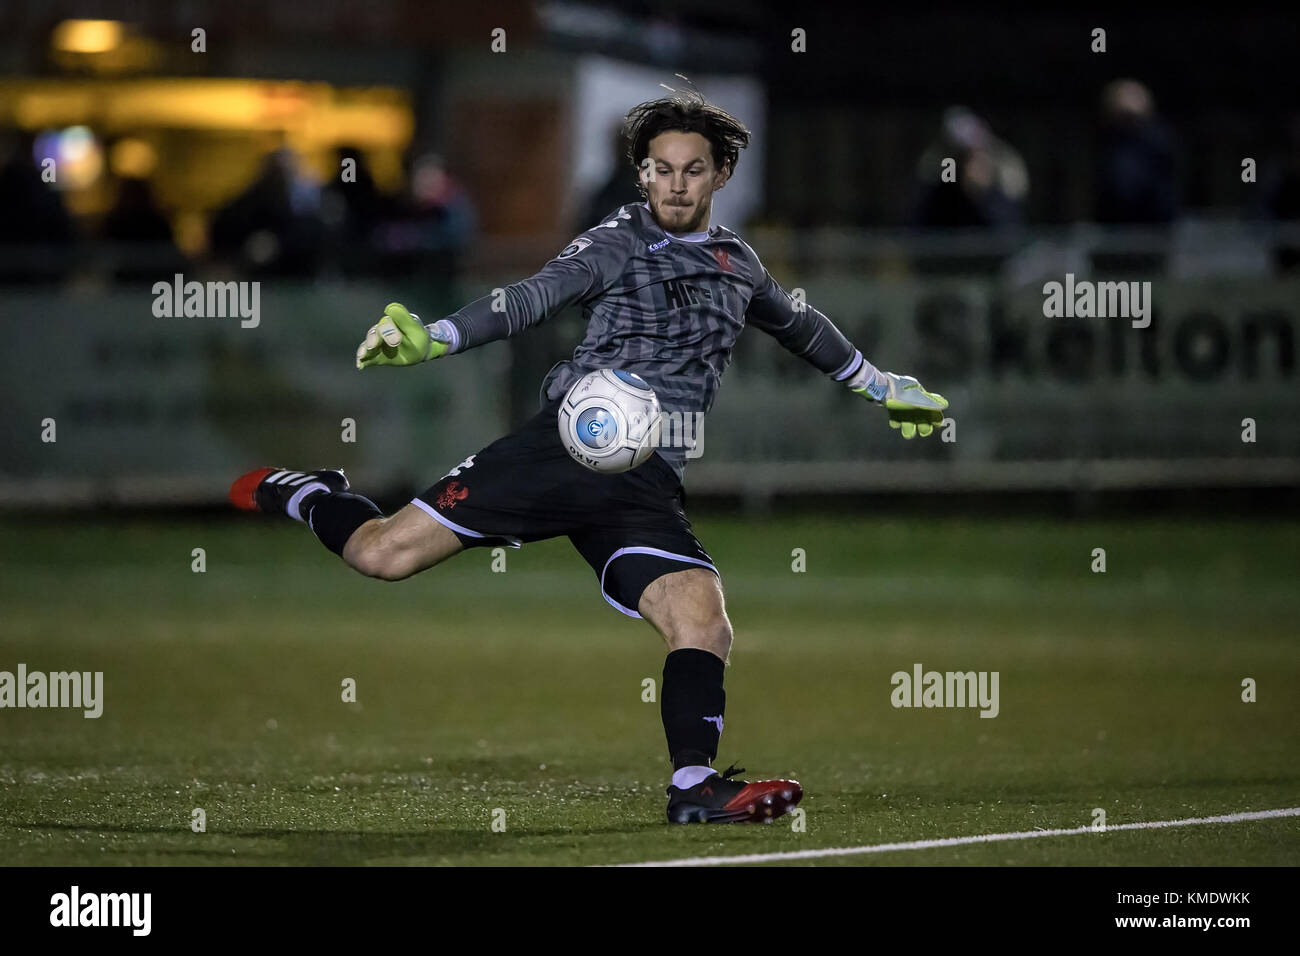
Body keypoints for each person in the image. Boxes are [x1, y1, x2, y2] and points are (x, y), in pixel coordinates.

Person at [229, 91, 948, 825]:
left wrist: (880, 385)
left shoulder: (739, 263)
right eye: (661, 169)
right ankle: (310, 493)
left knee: (702, 619)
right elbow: (531, 297)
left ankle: (695, 787)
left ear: (720, 174)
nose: (674, 183)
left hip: (647, 479)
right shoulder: (618, 239)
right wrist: (437, 335)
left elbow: (799, 326)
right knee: (381, 556)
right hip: (562, 452)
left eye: (691, 170)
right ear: (642, 174)